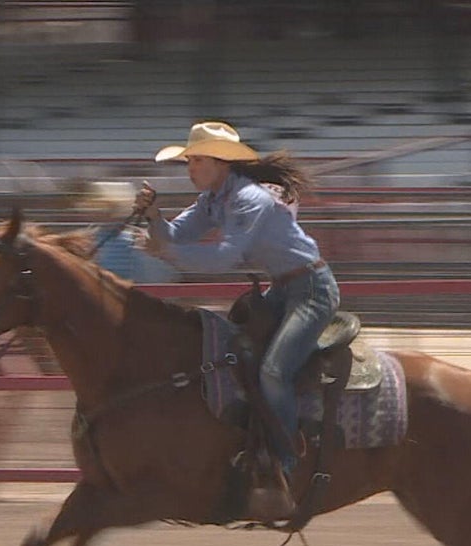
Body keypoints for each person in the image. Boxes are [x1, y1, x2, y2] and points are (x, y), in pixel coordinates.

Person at [133, 121, 339, 521]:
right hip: (284, 288)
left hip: (311, 290)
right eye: (189, 161)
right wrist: (155, 216)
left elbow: (224, 256)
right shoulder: (213, 200)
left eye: (197, 160)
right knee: (237, 358)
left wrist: (164, 251)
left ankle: (284, 463)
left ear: (221, 163)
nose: (190, 168)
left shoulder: (248, 199)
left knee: (274, 370)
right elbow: (176, 235)